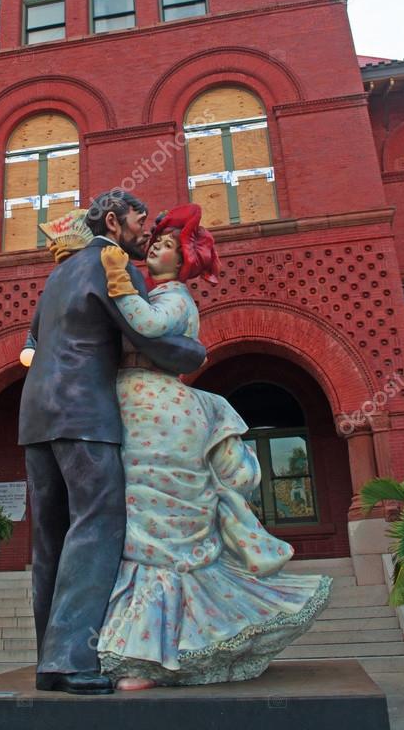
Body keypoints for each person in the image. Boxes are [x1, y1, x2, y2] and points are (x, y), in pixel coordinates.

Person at [93, 204, 332, 687]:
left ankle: (148, 655)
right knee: (144, 520)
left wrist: (116, 277)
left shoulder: (175, 297)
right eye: (155, 244)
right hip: (141, 404)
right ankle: (153, 650)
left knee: (155, 526)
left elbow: (148, 325)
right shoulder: (160, 291)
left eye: (165, 248)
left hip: (157, 409)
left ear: (182, 263)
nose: (155, 251)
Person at [18, 191, 207, 696]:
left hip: (36, 415)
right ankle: (71, 659)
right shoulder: (109, 260)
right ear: (112, 221)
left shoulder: (59, 272)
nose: (144, 231)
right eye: (139, 220)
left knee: (50, 538)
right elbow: (143, 334)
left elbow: (32, 341)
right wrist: (193, 351)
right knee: (97, 524)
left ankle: (49, 656)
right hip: (84, 412)